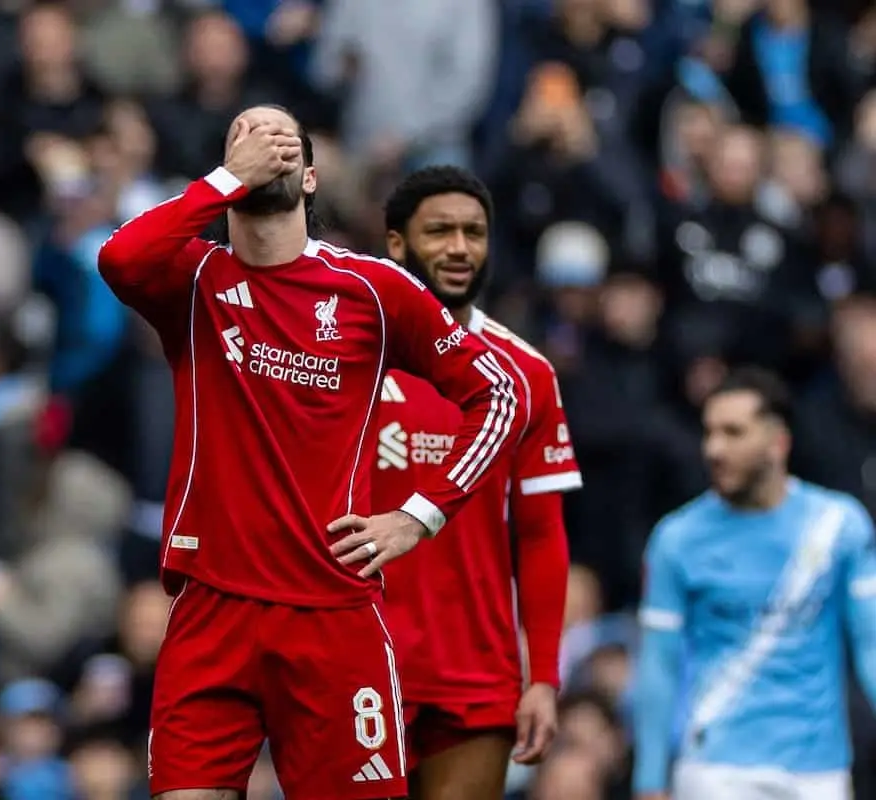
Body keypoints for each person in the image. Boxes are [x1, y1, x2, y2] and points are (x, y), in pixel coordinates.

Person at [98, 104, 518, 800]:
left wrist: (418, 516)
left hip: (331, 612)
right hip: (211, 608)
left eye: (283, 138)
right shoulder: (195, 282)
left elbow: (499, 396)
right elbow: (119, 257)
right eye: (245, 136)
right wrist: (225, 181)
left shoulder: (372, 290)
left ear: (312, 177)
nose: (266, 144)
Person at [372, 166, 580, 800]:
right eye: (439, 231)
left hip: (476, 670)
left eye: (474, 232)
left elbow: (541, 535)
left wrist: (542, 676)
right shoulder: (352, 359)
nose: (460, 248)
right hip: (361, 659)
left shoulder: (526, 373)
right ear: (397, 243)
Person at [633, 368, 876, 800]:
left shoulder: (838, 526)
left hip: (818, 770)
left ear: (777, 443)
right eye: (709, 432)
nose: (714, 449)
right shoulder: (677, 539)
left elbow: (871, 645)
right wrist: (650, 779)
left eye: (733, 433)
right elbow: (659, 663)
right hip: (715, 767)